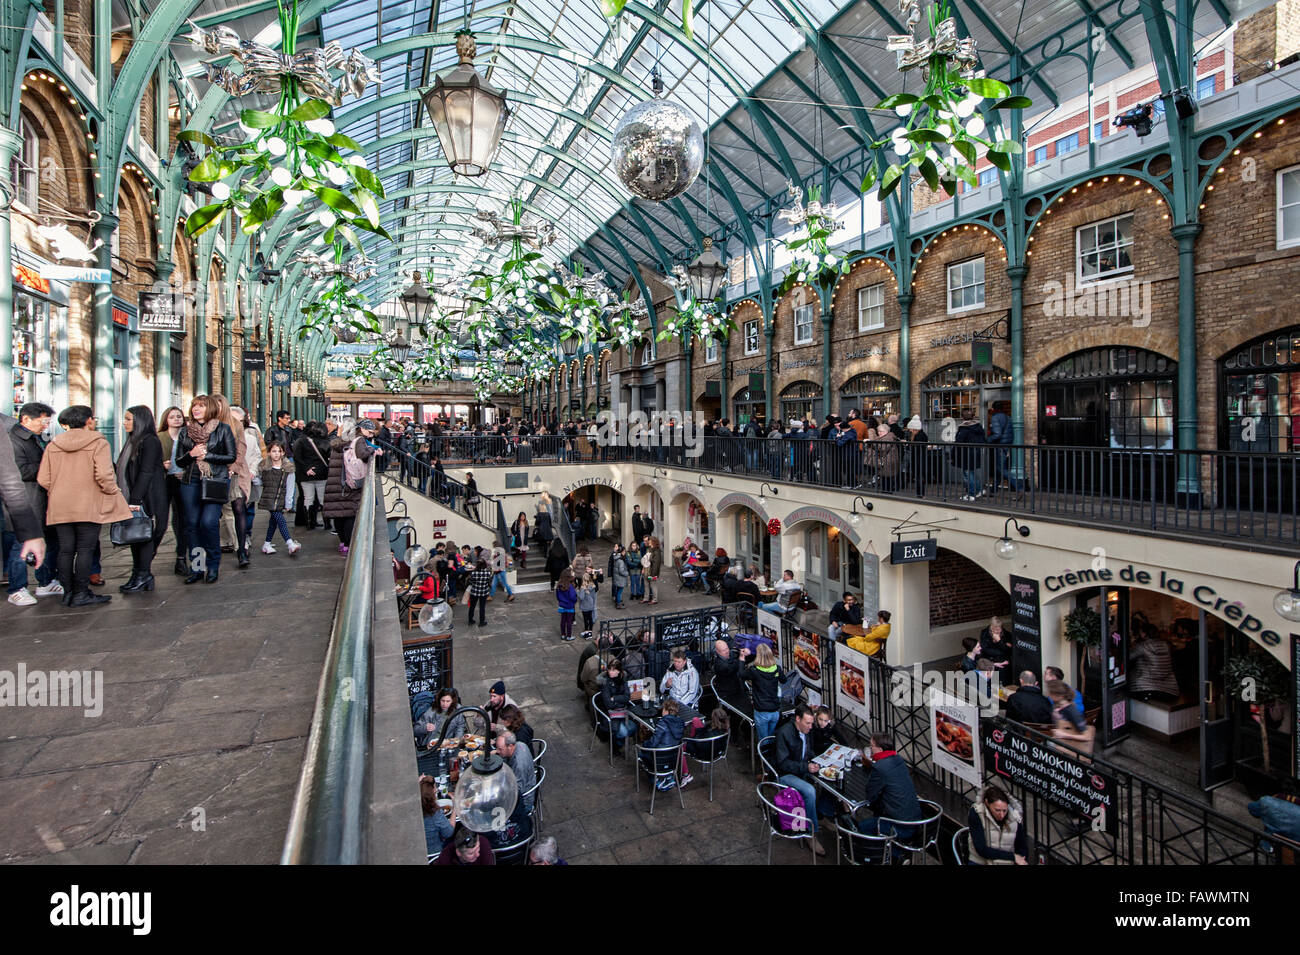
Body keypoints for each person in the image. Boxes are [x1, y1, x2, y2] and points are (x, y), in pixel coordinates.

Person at [36, 405, 132, 606]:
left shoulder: (53, 444)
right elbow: (105, 476)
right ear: (88, 420)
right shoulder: (98, 442)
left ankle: (68, 592)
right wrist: (113, 492)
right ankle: (81, 593)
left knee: (65, 549)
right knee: (86, 549)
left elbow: (44, 479)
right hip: (88, 503)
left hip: (60, 504)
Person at [175, 395, 238, 584]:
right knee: (192, 524)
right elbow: (179, 461)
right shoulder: (185, 432)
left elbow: (231, 456)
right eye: (194, 406)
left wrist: (207, 455)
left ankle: (212, 566)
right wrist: (191, 454)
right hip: (191, 481)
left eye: (201, 406)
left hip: (214, 481)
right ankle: (197, 567)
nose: (196, 409)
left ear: (209, 408)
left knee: (208, 523)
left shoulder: (223, 429)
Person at [7, 402, 61, 605]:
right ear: (26, 419)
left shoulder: (37, 438)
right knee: (20, 545)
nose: (46, 426)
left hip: (41, 500)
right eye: (43, 421)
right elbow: (19, 471)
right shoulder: (12, 441)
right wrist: (47, 467)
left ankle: (46, 582)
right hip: (25, 501)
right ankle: (16, 588)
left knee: (49, 541)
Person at [116, 405, 168, 593]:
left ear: (140, 420)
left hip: (148, 496)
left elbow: (146, 472)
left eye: (128, 419)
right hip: (134, 494)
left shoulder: (149, 441)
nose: (124, 423)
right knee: (136, 535)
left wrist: (135, 499)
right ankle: (138, 573)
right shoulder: (133, 441)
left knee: (144, 534)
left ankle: (143, 574)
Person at [775, 705, 837, 854]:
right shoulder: (784, 733)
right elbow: (782, 763)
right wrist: (805, 767)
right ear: (797, 719)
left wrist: (819, 762)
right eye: (808, 723)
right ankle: (810, 833)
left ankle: (821, 813)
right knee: (809, 791)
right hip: (786, 774)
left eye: (811, 723)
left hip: (803, 767)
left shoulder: (806, 731)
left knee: (833, 778)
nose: (811, 727)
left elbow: (808, 750)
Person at [855, 732, 922, 856]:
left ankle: (892, 856)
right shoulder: (899, 760)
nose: (870, 749)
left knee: (862, 827)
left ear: (879, 749)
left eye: (871, 747)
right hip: (916, 821)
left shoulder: (880, 767)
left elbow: (870, 795)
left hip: (900, 826)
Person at [323, 417, 375, 556]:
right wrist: (372, 449)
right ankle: (348, 544)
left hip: (334, 484)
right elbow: (363, 454)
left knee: (338, 515)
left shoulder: (336, 444)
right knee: (349, 515)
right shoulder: (357, 442)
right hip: (348, 483)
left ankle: (342, 543)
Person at [158, 406, 190, 575]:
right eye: (172, 417)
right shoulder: (160, 437)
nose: (176, 419)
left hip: (182, 481)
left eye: (179, 416)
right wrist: (162, 466)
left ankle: (181, 558)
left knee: (182, 520)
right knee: (161, 521)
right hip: (164, 482)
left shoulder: (188, 436)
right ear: (166, 420)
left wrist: (185, 473)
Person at [258, 441, 300, 555]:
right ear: (269, 453)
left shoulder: (288, 469)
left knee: (274, 521)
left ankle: (267, 544)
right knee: (280, 520)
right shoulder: (264, 466)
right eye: (274, 451)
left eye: (279, 451)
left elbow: (290, 487)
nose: (276, 454)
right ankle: (290, 543)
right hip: (269, 498)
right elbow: (259, 479)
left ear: (283, 453)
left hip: (280, 499)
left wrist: (289, 503)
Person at [968, 785, 1029, 865]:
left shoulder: (1014, 816)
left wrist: (1021, 859)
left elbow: (1022, 847)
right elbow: (982, 849)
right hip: (980, 861)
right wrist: (1013, 857)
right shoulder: (977, 813)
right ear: (987, 803)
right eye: (997, 810)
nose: (1002, 815)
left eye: (1004, 810)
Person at [740, 642, 784, 747]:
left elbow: (741, 674)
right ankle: (771, 759)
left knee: (763, 741)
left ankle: (764, 761)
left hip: (762, 711)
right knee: (772, 737)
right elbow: (784, 680)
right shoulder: (776, 668)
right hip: (775, 711)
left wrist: (742, 659)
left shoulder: (754, 671)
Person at [293, 422, 331, 530]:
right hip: (322, 474)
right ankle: (327, 524)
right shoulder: (326, 442)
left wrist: (306, 469)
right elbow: (330, 457)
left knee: (308, 499)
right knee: (323, 499)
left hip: (307, 475)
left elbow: (297, 457)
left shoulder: (302, 441)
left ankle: (309, 523)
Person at [643, 697, 686, 791]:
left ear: (666, 711)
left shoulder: (663, 723)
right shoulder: (681, 723)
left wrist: (644, 745)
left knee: (642, 753)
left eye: (663, 709)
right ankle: (668, 777)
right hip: (673, 760)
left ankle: (657, 780)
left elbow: (653, 743)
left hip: (659, 759)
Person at [494, 730, 537, 812]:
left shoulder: (519, 764)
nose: (498, 751)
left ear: (510, 746)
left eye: (500, 749)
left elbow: (516, 791)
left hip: (523, 803)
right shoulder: (520, 744)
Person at [600, 658, 635, 755]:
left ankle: (618, 742)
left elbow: (627, 697)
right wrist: (621, 701)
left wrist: (614, 698)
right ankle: (616, 745)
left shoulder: (623, 679)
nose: (611, 672)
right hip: (610, 713)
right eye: (609, 669)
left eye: (613, 670)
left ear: (619, 671)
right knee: (623, 732)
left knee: (634, 727)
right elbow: (608, 704)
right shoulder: (605, 682)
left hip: (623, 710)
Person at [953, 408, 987, 501]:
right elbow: (983, 440)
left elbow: (959, 441)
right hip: (976, 453)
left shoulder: (964, 428)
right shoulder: (978, 427)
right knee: (971, 473)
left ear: (962, 417)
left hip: (966, 454)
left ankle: (971, 494)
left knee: (967, 474)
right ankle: (979, 490)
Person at [419, 776, 455, 858]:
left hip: (420, 849)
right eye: (434, 789)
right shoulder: (435, 814)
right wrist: (455, 809)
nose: (436, 790)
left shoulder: (416, 807)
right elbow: (449, 832)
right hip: (434, 853)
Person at [904, 415, 929, 498]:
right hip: (918, 458)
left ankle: (920, 493)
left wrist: (909, 444)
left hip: (919, 458)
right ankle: (920, 493)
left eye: (911, 429)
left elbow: (917, 447)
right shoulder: (920, 435)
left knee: (919, 476)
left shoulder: (920, 436)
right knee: (919, 476)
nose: (910, 430)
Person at [467, 558, 491, 628]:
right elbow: (488, 581)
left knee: (472, 606)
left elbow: (470, 582)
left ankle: (470, 620)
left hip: (474, 592)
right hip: (483, 592)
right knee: (482, 607)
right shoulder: (488, 573)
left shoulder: (473, 573)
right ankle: (481, 622)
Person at [555, 567, 578, 641]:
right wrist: (574, 601)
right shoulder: (570, 586)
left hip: (562, 605)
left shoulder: (559, 585)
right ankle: (569, 636)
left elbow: (557, 596)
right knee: (569, 621)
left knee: (563, 620)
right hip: (570, 606)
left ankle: (563, 634)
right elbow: (573, 597)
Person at [577, 569, 598, 639]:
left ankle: (586, 633)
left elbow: (581, 597)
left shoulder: (583, 588)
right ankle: (590, 633)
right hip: (591, 605)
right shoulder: (593, 586)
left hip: (585, 606)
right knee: (590, 619)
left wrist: (577, 591)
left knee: (586, 620)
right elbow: (594, 596)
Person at [609, 542, 629, 609]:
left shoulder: (616, 558)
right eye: (624, 551)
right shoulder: (621, 561)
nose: (625, 552)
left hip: (617, 578)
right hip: (620, 579)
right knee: (620, 591)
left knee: (618, 590)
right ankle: (618, 603)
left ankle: (618, 601)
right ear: (622, 552)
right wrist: (627, 573)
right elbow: (621, 571)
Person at [643, 536, 662, 605]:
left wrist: (653, 575)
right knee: (646, 585)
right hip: (646, 570)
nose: (648, 541)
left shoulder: (656, 551)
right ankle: (646, 598)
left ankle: (655, 599)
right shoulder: (649, 549)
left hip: (652, 572)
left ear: (653, 542)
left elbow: (656, 565)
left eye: (650, 540)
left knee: (653, 585)